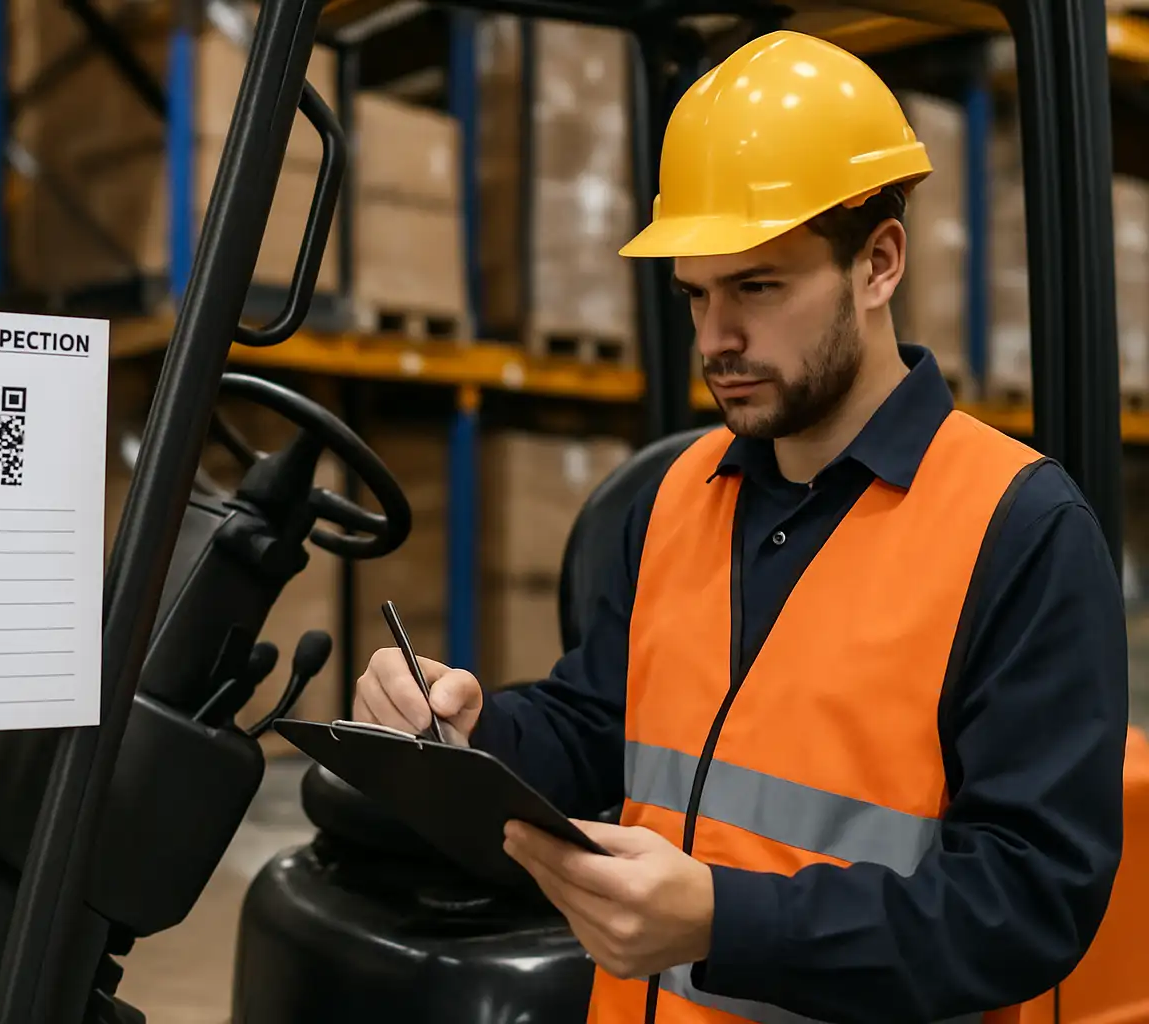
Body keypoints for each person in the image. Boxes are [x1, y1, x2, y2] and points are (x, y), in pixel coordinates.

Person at [351, 29, 1128, 1024]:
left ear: (880, 261)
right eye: (696, 294)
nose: (717, 337)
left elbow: (1027, 900)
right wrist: (471, 727)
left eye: (758, 286)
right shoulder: (677, 493)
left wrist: (726, 920)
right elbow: (600, 723)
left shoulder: (1018, 528)